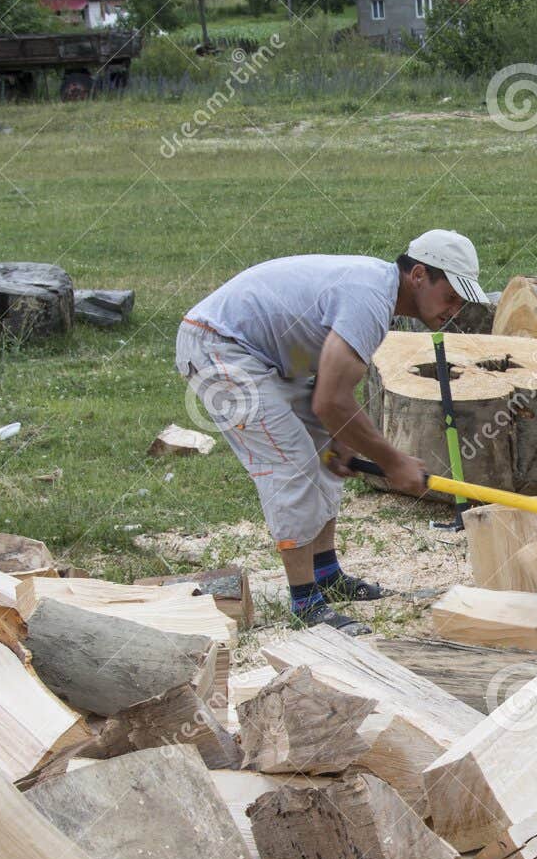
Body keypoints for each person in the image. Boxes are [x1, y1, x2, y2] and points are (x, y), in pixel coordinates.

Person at [175, 230, 488, 634]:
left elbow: (333, 379)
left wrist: (339, 435)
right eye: (450, 297)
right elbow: (330, 403)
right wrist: (392, 461)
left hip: (267, 355)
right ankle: (305, 605)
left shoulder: (378, 292)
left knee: (326, 457)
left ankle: (327, 576)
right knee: (290, 464)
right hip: (220, 346)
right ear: (419, 276)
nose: (455, 310)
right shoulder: (371, 299)